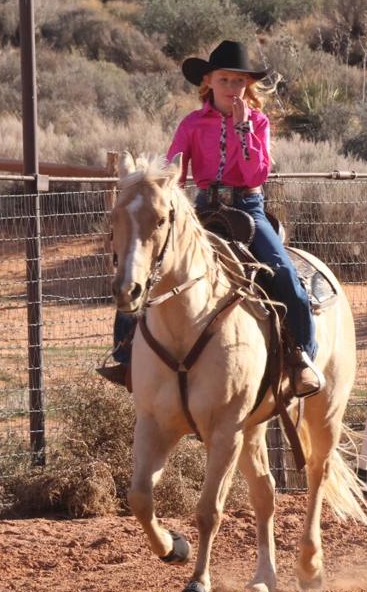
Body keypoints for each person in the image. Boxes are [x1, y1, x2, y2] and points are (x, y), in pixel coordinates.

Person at [98, 40, 323, 397]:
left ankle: (301, 360)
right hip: (202, 209)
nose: (232, 89)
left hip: (248, 208)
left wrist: (243, 130)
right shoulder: (191, 123)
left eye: (239, 82)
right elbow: (175, 168)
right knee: (144, 272)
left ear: (247, 86)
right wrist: (162, 184)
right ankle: (124, 355)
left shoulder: (259, 122)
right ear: (209, 82)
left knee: (285, 275)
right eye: (225, 80)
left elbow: (255, 176)